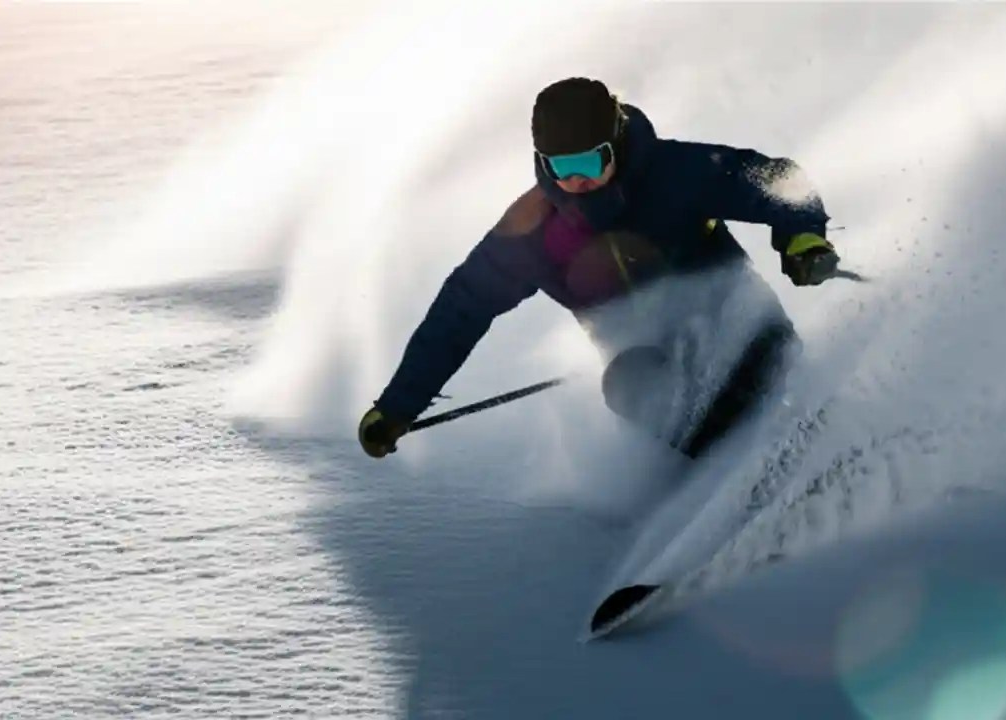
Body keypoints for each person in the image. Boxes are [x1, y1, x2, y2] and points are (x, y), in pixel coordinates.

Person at [358, 77, 840, 461]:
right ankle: (738, 477)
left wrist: (802, 238)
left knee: (764, 374)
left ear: (615, 145)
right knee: (627, 386)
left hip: (741, 325)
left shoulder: (677, 173)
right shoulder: (532, 231)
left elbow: (778, 181)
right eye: (560, 166)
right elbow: (459, 312)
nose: (576, 180)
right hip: (649, 360)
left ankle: (818, 445)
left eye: (589, 161)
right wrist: (397, 407)